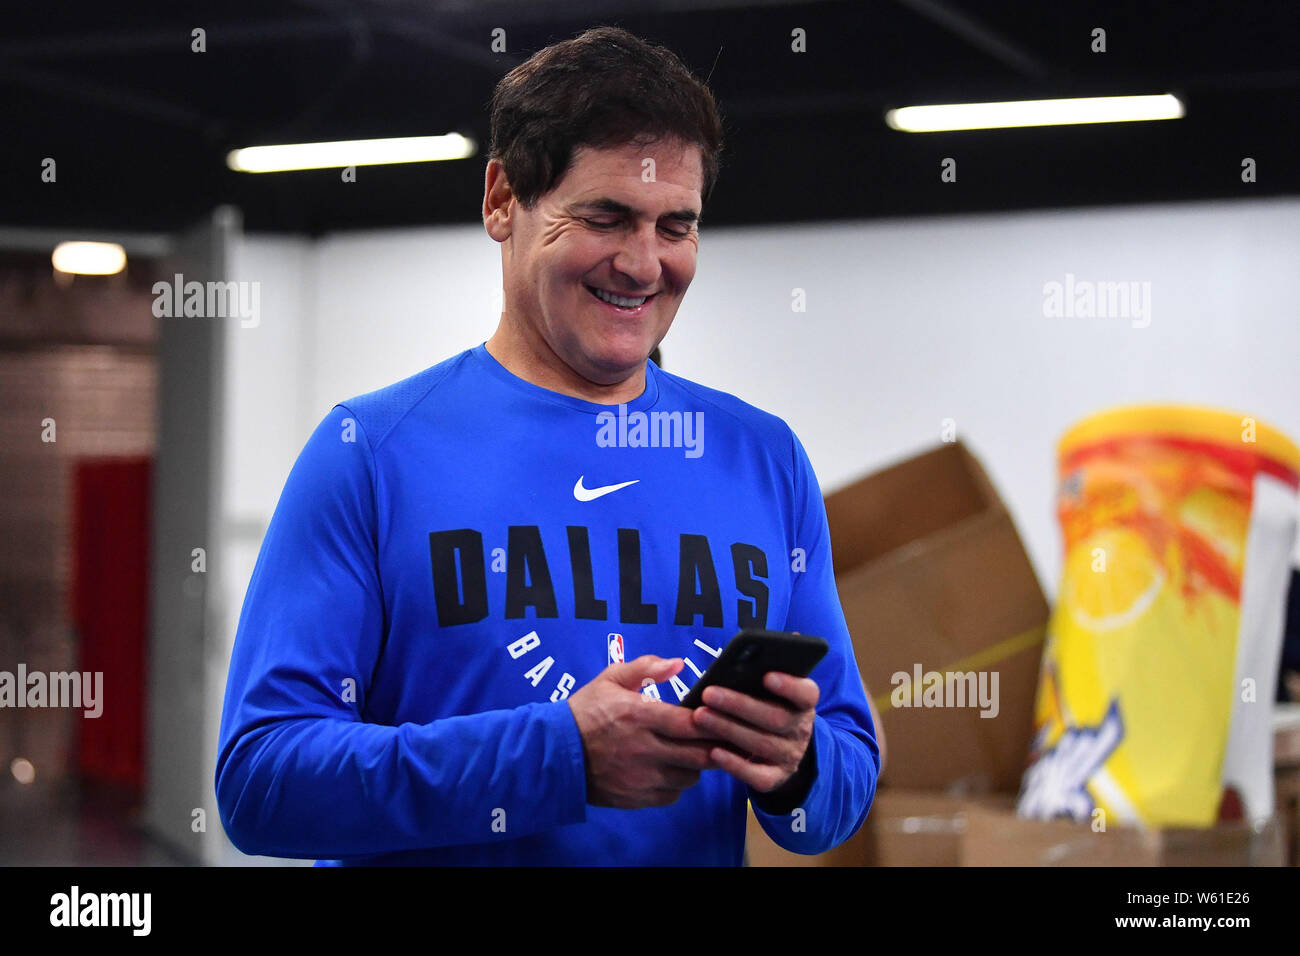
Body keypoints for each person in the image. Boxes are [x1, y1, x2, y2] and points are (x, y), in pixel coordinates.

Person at [215, 25, 878, 866]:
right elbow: (260, 784)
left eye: (677, 227)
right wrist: (555, 756)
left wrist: (796, 768)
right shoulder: (369, 454)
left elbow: (841, 784)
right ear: (501, 199)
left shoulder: (765, 459)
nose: (644, 264)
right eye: (606, 217)